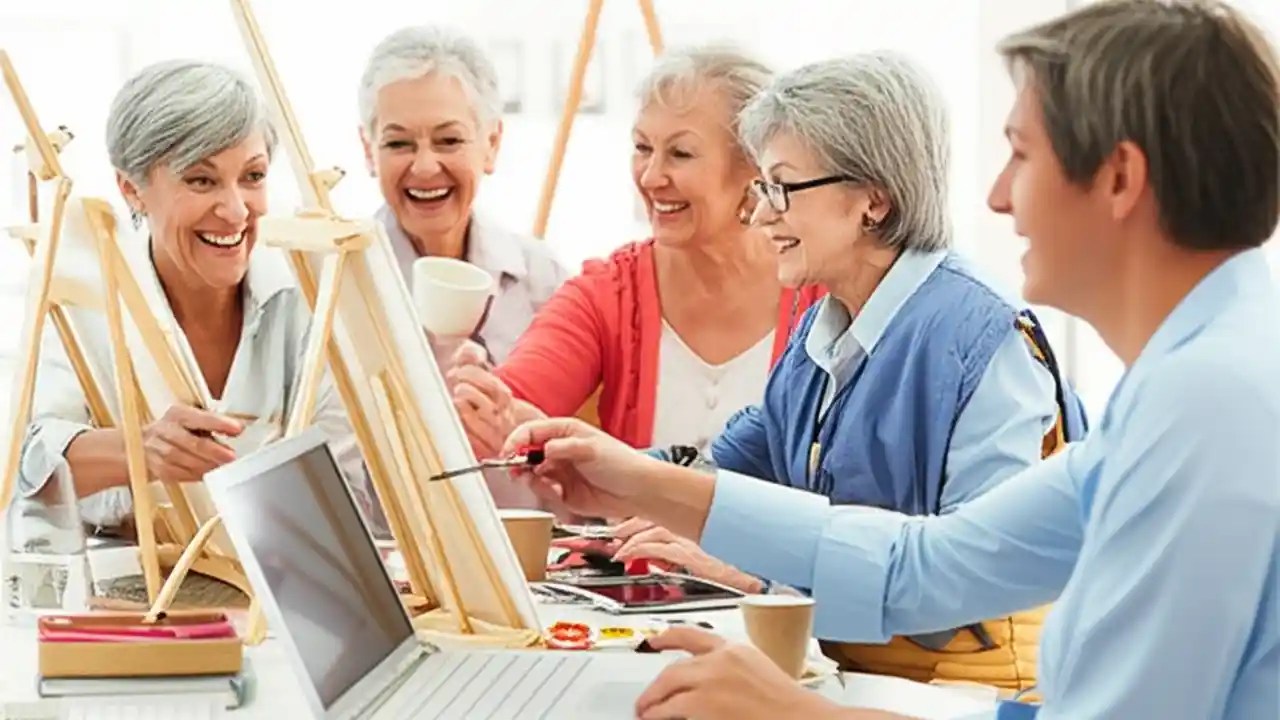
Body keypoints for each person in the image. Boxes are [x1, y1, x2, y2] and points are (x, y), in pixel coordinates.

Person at [502, 1, 1280, 718]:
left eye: (1020, 155)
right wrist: (635, 481)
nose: (997, 197)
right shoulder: (1191, 380)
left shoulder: (1210, 405)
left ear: (1118, 177)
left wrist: (800, 713)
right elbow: (926, 564)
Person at [608, 51, 1085, 693]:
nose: (758, 214)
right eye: (760, 189)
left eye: (781, 188)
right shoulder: (824, 329)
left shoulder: (985, 340)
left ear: (873, 203)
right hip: (855, 678)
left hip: (973, 694)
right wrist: (604, 474)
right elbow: (729, 462)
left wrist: (758, 580)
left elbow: (969, 582)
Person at [14, 60, 373, 539]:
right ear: (131, 189)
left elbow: (346, 495)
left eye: (252, 176)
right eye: (201, 180)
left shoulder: (310, 295)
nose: (235, 211)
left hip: (277, 589)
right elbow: (27, 466)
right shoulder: (88, 295)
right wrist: (141, 450)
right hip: (123, 588)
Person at [450, 46, 824, 464]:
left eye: (680, 154)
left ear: (755, 167)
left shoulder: (827, 290)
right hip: (628, 533)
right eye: (643, 148)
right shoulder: (608, 292)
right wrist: (492, 408)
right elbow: (517, 400)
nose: (650, 176)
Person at [357, 26, 568, 365]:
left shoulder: (543, 282)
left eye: (449, 140)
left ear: (492, 144)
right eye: (398, 143)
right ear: (369, 151)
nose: (425, 167)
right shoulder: (336, 284)